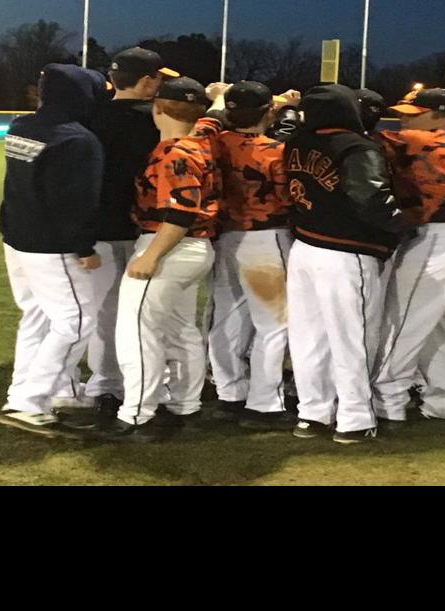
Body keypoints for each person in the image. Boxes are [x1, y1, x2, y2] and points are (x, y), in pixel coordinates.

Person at [58, 47, 180, 428]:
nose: (160, 83)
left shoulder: (88, 117)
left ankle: (103, 386)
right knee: (149, 316)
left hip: (96, 230)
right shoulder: (157, 121)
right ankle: (147, 389)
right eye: (157, 77)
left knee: (101, 316)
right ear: (146, 81)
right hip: (147, 231)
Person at [99, 77, 222, 442]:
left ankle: (137, 415)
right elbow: (211, 119)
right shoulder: (202, 138)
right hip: (197, 248)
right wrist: (216, 102)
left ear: (157, 108)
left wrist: (151, 256)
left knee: (138, 330)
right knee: (181, 329)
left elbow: (181, 212)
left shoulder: (174, 152)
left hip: (170, 247)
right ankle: (186, 404)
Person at [283, 84, 405, 444]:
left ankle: (312, 414)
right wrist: (401, 225)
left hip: (304, 246)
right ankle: (354, 418)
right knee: (353, 338)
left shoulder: (297, 142)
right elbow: (369, 199)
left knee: (308, 338)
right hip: (347, 252)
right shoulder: (356, 146)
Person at [0, 64, 107, 436]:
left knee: (37, 318)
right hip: (52, 245)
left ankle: (29, 393)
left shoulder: (22, 125)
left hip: (17, 237)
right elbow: (77, 202)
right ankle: (30, 402)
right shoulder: (78, 140)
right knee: (76, 323)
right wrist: (83, 246)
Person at [370, 88, 445, 425]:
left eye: (414, 113)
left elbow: (358, 141)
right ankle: (443, 403)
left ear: (442, 117)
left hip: (440, 240)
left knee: (402, 325)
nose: (404, 118)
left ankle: (387, 403)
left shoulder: (421, 140)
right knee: (440, 327)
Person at [206, 81, 302, 430]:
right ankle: (264, 403)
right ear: (268, 111)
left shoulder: (212, 141)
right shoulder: (277, 150)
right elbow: (289, 198)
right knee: (274, 325)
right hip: (267, 239)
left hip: (225, 237)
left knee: (227, 319)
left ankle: (230, 394)